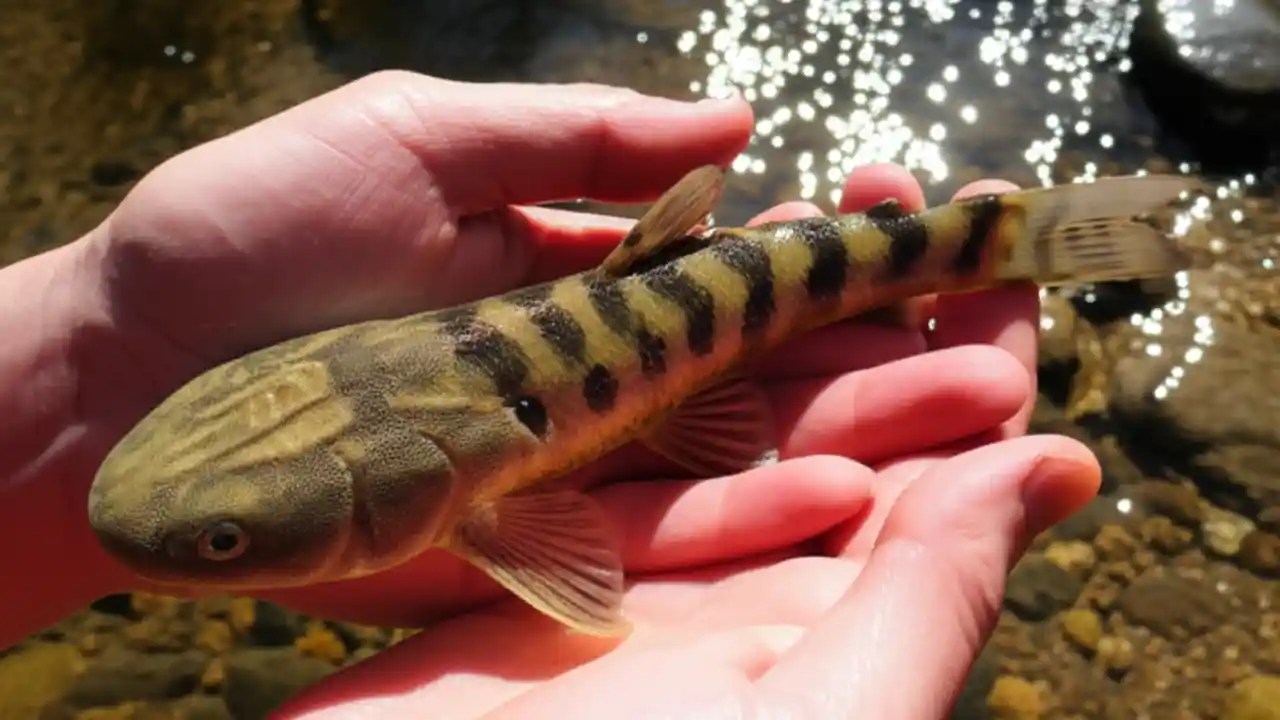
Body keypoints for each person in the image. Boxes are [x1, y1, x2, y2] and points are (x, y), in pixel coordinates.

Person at [0, 70, 1099, 718]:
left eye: (225, 544)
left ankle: (1071, 235)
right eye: (224, 544)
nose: (205, 558)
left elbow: (575, 581)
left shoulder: (455, 502)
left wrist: (91, 349)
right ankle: (1065, 233)